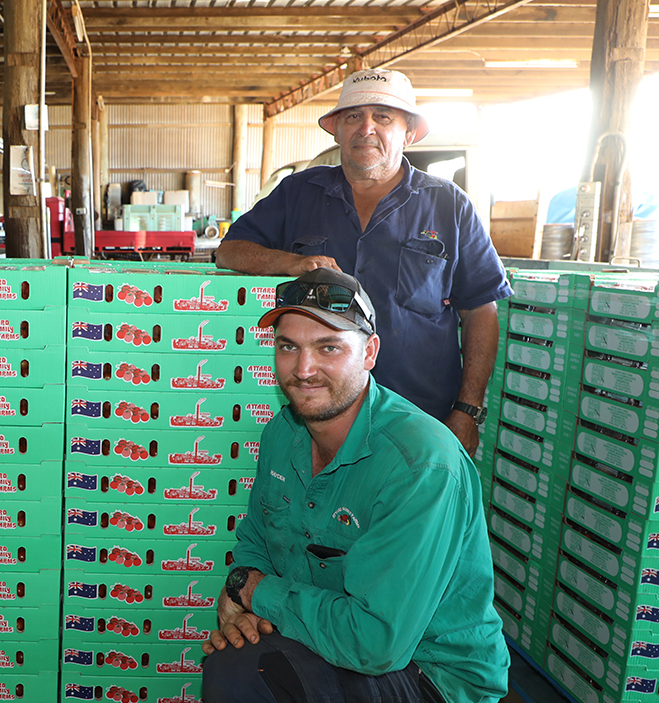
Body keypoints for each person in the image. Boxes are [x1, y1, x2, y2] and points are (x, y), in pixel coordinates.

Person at [168, 269, 509, 703]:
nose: (303, 369)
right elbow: (257, 540)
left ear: (369, 352)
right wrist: (243, 598)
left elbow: (376, 644)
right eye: (288, 347)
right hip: (321, 640)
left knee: (241, 679)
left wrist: (254, 591)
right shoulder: (284, 431)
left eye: (328, 347)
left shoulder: (421, 463)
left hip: (428, 678)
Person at [217, 68, 511, 457]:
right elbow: (229, 251)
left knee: (413, 516)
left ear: (408, 133)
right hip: (318, 419)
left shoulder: (449, 205)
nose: (366, 128)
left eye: (383, 117)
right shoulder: (298, 192)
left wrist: (467, 411)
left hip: (421, 418)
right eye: (353, 116)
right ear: (336, 130)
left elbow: (480, 312)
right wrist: (292, 263)